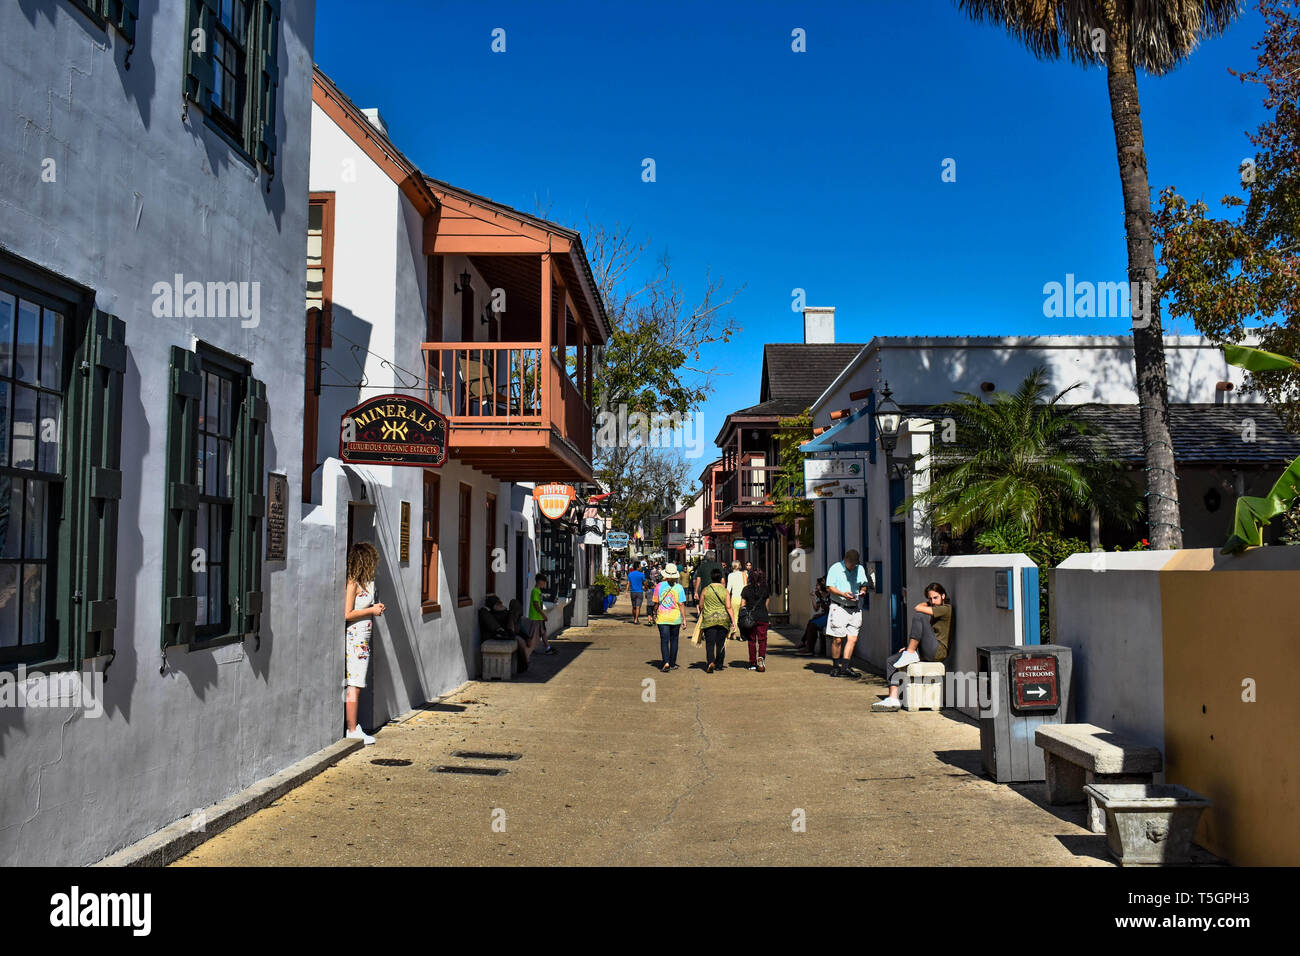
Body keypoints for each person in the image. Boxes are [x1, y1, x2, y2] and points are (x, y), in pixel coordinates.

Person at [877, 583, 953, 711]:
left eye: (935, 597)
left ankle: (910, 653)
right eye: (930, 599)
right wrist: (908, 647)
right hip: (927, 650)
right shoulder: (935, 609)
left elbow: (918, 608)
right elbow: (924, 635)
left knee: (919, 616)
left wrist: (910, 650)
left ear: (943, 596)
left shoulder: (946, 608)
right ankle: (893, 698)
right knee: (891, 661)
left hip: (938, 651)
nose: (932, 601)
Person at [344, 542, 385, 745]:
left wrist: (375, 607)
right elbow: (347, 613)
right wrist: (371, 611)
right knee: (355, 684)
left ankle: (354, 726)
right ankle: (352, 729)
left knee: (358, 683)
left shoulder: (364, 583)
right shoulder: (352, 583)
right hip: (355, 640)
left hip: (363, 640)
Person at [825, 549, 870, 678]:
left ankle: (845, 667)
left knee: (853, 638)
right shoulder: (835, 568)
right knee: (838, 639)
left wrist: (862, 591)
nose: (853, 566)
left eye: (855, 564)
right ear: (846, 560)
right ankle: (835, 667)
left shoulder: (859, 569)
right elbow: (829, 587)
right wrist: (843, 594)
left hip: (854, 607)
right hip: (839, 607)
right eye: (851, 563)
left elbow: (864, 584)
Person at [697, 567, 734, 673]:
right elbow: (728, 606)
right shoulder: (725, 591)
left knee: (710, 643)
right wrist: (733, 620)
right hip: (723, 620)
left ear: (711, 578)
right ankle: (719, 664)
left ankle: (710, 662)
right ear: (721, 578)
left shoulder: (705, 589)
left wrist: (703, 612)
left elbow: (701, 605)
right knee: (721, 643)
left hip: (709, 619)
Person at [480, 595, 529, 672]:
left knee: (514, 603)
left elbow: (517, 625)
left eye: (500, 602)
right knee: (483, 611)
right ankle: (502, 631)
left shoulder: (508, 613)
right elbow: (488, 619)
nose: (501, 603)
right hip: (498, 633)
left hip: (510, 631)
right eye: (498, 603)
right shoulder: (489, 613)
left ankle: (523, 664)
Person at [653, 563, 687, 672]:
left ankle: (666, 662)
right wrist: (684, 619)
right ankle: (672, 663)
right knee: (674, 640)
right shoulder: (679, 587)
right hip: (675, 618)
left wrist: (654, 613)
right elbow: (681, 604)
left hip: (662, 617)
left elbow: (656, 603)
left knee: (664, 640)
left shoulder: (659, 586)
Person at [739, 568, 771, 672]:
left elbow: (742, 605)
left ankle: (752, 663)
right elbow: (766, 605)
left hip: (751, 618)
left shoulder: (746, 589)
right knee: (763, 640)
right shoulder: (766, 589)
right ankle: (761, 658)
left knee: (751, 640)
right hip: (763, 617)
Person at [795, 577, 829, 656]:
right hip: (826, 614)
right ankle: (804, 642)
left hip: (832, 615)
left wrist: (823, 598)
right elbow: (816, 609)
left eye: (817, 585)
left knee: (813, 624)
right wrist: (813, 598)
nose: (816, 587)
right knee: (811, 620)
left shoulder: (829, 595)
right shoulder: (819, 595)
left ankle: (809, 649)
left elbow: (829, 608)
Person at [528, 574, 557, 654]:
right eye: (544, 582)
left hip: (539, 617)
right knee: (534, 634)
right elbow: (536, 604)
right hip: (535, 617)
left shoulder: (538, 591)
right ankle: (530, 648)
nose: (544, 584)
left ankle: (548, 648)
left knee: (543, 632)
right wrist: (543, 615)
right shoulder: (535, 591)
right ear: (539, 581)